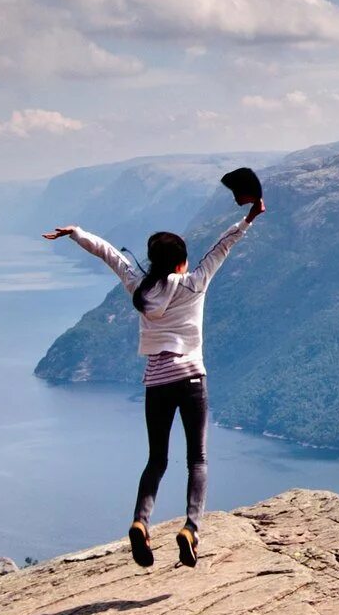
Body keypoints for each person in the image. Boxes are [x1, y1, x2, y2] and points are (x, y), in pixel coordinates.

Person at [45, 195, 264, 567]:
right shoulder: (195, 283)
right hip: (192, 377)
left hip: (157, 381)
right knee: (197, 459)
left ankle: (140, 522)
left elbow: (110, 254)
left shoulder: (140, 288)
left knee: (157, 459)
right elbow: (223, 245)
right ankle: (190, 529)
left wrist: (76, 233)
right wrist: (249, 218)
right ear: (181, 262)